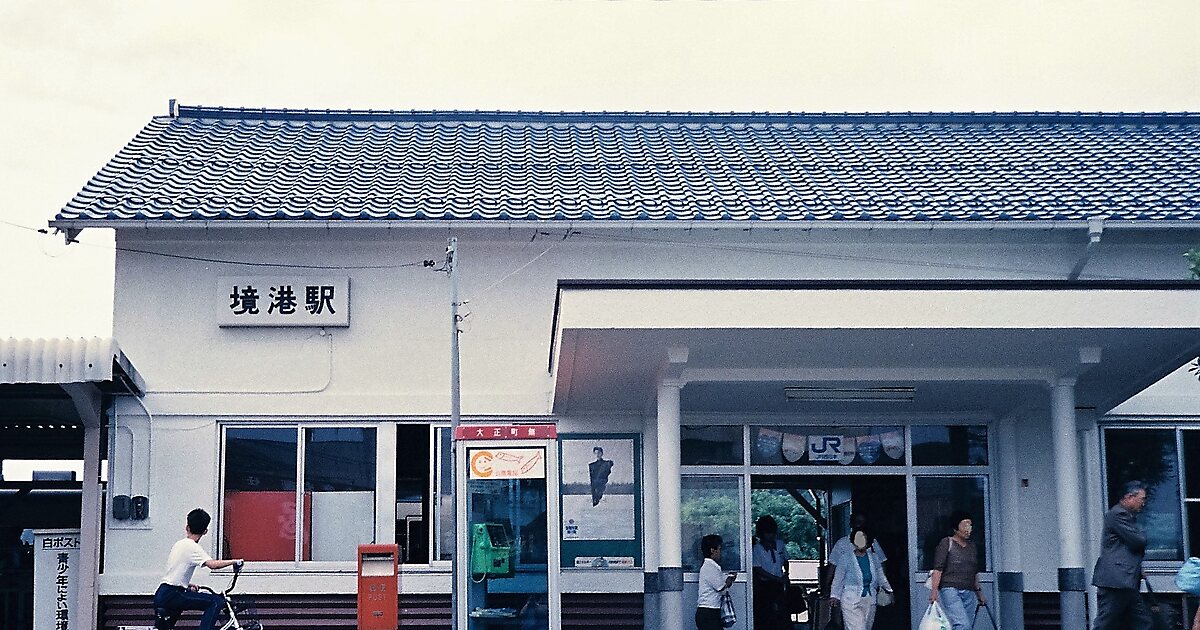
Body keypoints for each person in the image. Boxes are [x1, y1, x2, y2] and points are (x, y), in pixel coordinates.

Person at [153, 509, 244, 630]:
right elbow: (213, 565)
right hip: (173, 594)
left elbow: (174, 572)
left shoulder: (179, 544)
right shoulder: (192, 547)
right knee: (216, 601)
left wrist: (187, 584)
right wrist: (234, 561)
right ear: (205, 531)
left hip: (164, 592)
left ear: (187, 527)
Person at [1092, 481, 1151, 630]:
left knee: (1142, 623)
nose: (1143, 503)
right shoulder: (1118, 514)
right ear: (1130, 497)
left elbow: (1126, 547)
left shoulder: (1124, 516)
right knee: (1106, 623)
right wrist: (1142, 534)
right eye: (1142, 499)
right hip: (1117, 581)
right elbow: (1138, 541)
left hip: (1125, 581)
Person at [929, 511, 985, 630]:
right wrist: (934, 591)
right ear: (955, 528)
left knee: (966, 626)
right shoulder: (946, 543)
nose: (968, 529)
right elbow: (938, 569)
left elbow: (974, 571)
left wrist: (979, 593)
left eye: (970, 525)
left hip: (969, 591)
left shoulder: (972, 546)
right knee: (962, 625)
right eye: (964, 525)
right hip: (950, 590)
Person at [830, 528, 891, 630]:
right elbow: (838, 578)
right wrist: (834, 595)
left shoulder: (874, 558)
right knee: (858, 627)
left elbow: (881, 576)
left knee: (866, 626)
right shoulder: (845, 558)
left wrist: (889, 590)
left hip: (869, 598)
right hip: (850, 598)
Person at [752, 515, 790, 630]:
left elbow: (785, 560)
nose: (770, 536)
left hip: (778, 584)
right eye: (767, 533)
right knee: (766, 615)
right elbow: (758, 569)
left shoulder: (780, 544)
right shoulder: (757, 549)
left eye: (772, 532)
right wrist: (776, 578)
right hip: (764, 585)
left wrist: (786, 574)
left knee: (781, 613)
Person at [697, 534, 737, 630]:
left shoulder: (711, 567)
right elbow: (721, 587)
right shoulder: (710, 567)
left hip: (711, 611)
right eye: (719, 549)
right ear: (712, 550)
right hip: (708, 611)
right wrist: (729, 579)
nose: (720, 552)